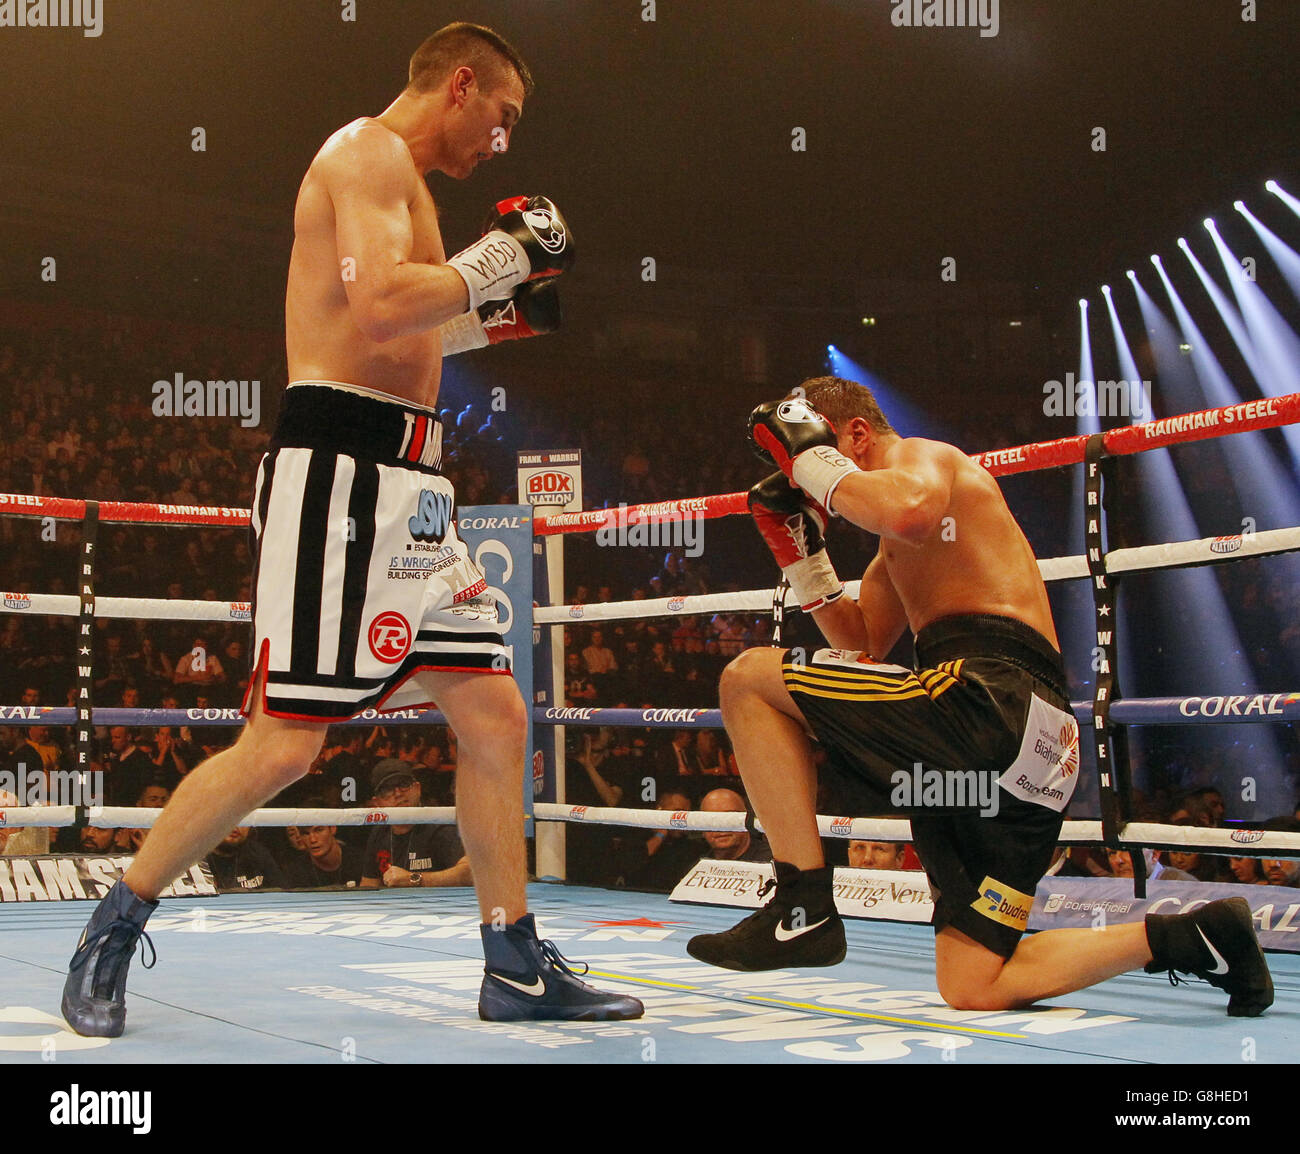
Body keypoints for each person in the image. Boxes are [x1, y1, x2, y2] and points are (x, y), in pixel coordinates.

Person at [63, 22, 640, 1037]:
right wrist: (502, 253)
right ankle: (114, 922)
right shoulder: (362, 152)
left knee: (497, 715)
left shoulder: (410, 191)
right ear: (460, 84)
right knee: (286, 743)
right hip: (337, 477)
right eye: (500, 119)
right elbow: (376, 308)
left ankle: (512, 959)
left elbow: (421, 323)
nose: (499, 145)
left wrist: (513, 304)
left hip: (412, 486)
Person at [687, 378, 1272, 1017]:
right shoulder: (897, 546)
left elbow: (907, 505)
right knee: (974, 983)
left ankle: (800, 905)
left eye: (806, 447)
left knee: (747, 678)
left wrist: (810, 460)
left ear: (853, 434)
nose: (800, 477)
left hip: (988, 697)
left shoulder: (926, 459)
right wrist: (804, 556)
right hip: (1031, 748)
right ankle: (1197, 936)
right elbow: (859, 641)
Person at [359, 760, 471, 888]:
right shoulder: (379, 832)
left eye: (403, 784)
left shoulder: (438, 825)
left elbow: (471, 872)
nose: (398, 793)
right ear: (377, 803)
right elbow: (368, 884)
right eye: (387, 790)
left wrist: (415, 879)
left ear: (418, 789)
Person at [699, 788, 769, 863]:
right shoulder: (696, 867)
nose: (721, 827)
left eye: (730, 818)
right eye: (712, 819)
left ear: (746, 820)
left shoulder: (773, 864)